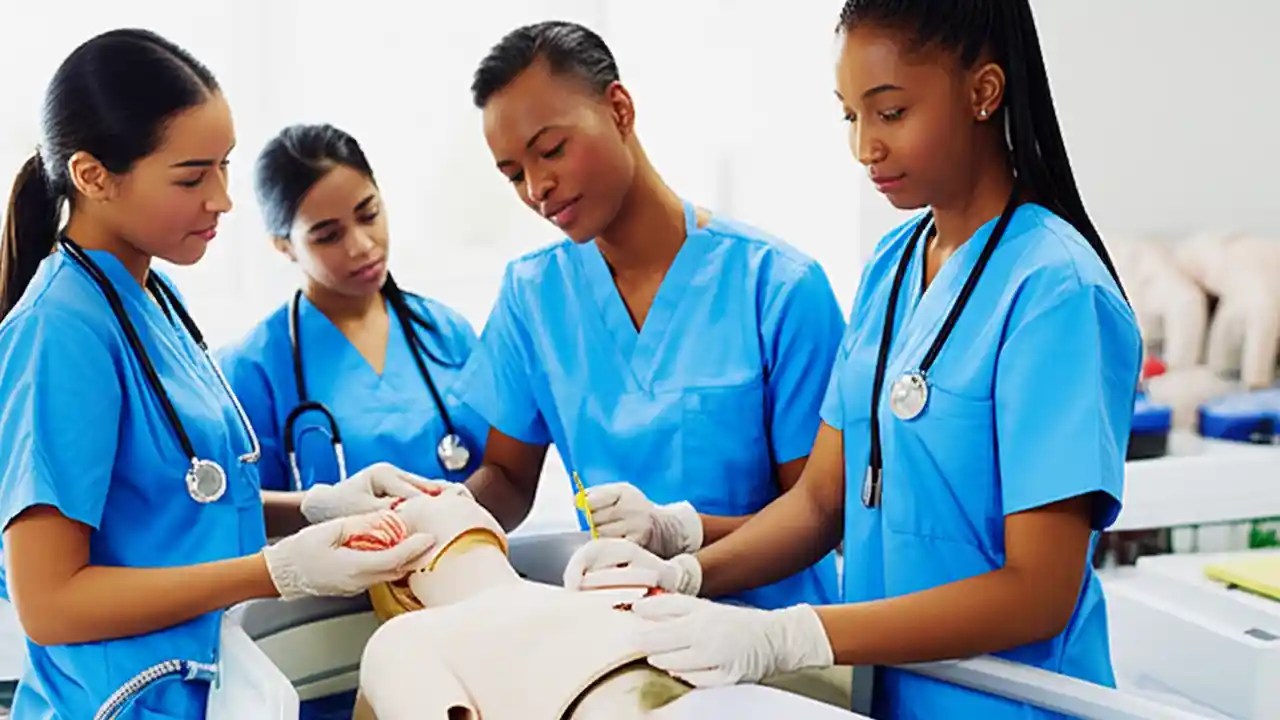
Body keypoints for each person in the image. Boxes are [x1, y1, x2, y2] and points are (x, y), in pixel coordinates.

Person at [564, 1, 1143, 718]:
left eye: (891, 112)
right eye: (849, 117)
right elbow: (820, 503)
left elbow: (1039, 591)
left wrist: (790, 634)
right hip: (887, 696)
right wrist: (683, 571)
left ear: (983, 93)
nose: (865, 146)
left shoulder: (1056, 292)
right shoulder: (892, 267)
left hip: (1014, 703)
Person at [0, 30, 437, 719]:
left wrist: (318, 508)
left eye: (225, 167)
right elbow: (51, 603)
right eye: (192, 176)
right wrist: (278, 573)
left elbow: (172, 506)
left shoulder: (151, 298)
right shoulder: (61, 330)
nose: (225, 200)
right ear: (92, 176)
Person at [458, 20, 844, 611]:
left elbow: (818, 515)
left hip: (771, 641)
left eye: (552, 149)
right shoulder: (532, 295)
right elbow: (508, 481)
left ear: (619, 108)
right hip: (619, 632)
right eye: (514, 174)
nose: (538, 187)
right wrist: (437, 517)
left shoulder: (777, 287)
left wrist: (679, 541)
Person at [349, 492, 855, 720]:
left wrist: (681, 567)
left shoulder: (596, 583)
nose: (439, 491)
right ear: (403, 583)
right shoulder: (402, 641)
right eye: (401, 509)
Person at [219, 124, 488, 505]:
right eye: (328, 236)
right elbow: (244, 510)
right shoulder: (252, 370)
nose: (361, 246)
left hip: (463, 554)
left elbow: (501, 471)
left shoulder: (447, 334)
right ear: (284, 246)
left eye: (369, 214)